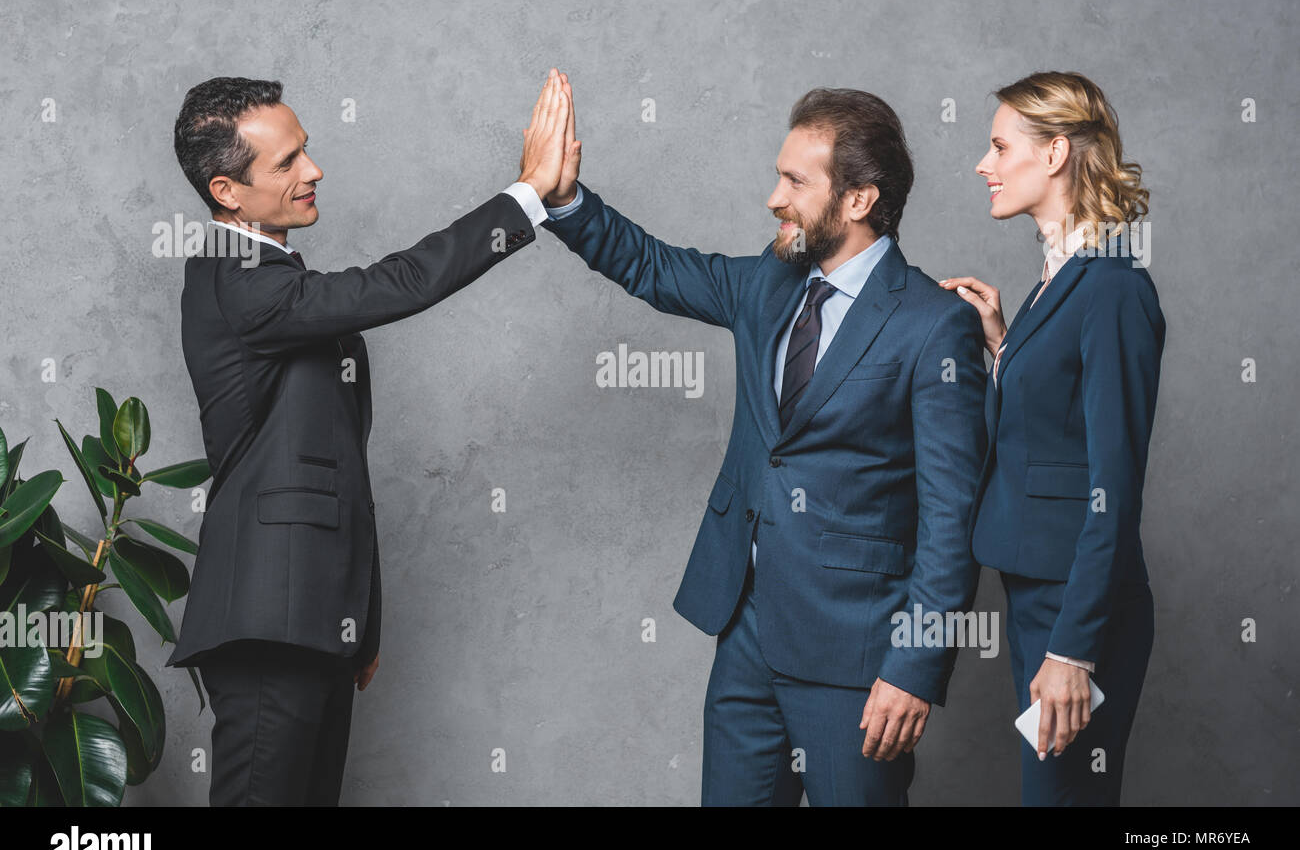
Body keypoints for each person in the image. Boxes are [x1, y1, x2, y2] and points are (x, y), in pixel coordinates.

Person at [542, 77, 987, 805]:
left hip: (855, 659)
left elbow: (951, 517)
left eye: (794, 181)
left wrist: (915, 666)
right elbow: (652, 265)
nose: (774, 197)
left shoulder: (934, 325)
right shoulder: (771, 283)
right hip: (744, 638)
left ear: (858, 199)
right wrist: (564, 199)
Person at [168, 69, 572, 805]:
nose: (314, 170)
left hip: (314, 616)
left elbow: (333, 468)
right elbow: (402, 281)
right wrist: (526, 195)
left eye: (305, 148)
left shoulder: (274, 279)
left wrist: (359, 618)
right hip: (268, 624)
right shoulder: (238, 280)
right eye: (287, 161)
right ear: (227, 191)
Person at [940, 71, 1165, 805]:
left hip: (1078, 610)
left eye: (1000, 147)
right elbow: (1056, 423)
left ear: (1056, 152)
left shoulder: (1112, 287)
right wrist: (1005, 345)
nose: (984, 164)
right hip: (1039, 594)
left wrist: (1072, 648)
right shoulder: (1057, 279)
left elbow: (1113, 485)